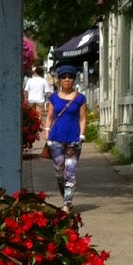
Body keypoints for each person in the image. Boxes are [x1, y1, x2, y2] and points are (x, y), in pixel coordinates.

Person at [44, 65, 88, 209]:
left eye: (70, 77)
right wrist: (47, 133)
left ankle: (67, 204)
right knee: (59, 171)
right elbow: (50, 117)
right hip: (56, 138)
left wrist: (81, 135)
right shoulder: (54, 98)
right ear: (60, 80)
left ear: (74, 80)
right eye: (64, 77)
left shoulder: (80, 98)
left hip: (73, 139)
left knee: (70, 172)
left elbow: (82, 118)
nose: (67, 80)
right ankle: (65, 195)